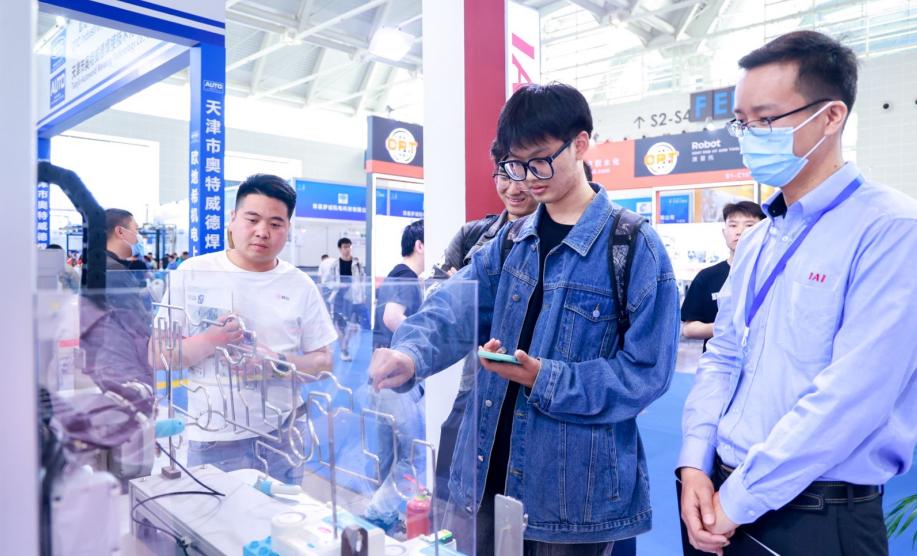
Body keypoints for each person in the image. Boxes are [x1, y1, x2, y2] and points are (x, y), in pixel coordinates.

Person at [369, 83, 680, 555]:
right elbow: (453, 307)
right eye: (514, 164)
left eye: (539, 161)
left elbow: (647, 372)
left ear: (580, 144)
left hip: (574, 498)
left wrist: (545, 379)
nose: (526, 179)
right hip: (488, 477)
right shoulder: (511, 240)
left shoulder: (633, 246)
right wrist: (410, 353)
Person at [677, 31, 917, 556]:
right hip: (717, 493)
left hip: (816, 515)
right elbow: (724, 353)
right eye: (742, 122)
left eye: (766, 120)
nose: (749, 136)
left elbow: (854, 395)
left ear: (830, 117)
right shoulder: (760, 238)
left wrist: (738, 500)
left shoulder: (891, 229)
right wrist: (694, 462)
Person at [151, 174, 336, 485]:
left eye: (275, 223)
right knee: (215, 516)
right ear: (233, 218)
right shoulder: (194, 272)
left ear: (288, 229)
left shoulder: (300, 284)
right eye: (252, 219)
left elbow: (324, 363)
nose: (262, 231)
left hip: (282, 435)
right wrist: (211, 340)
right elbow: (156, 355)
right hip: (213, 439)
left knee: (282, 513)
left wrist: (274, 364)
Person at [433, 144, 539, 511]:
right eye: (504, 174)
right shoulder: (474, 235)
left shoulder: (554, 240)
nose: (513, 187)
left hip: (533, 380)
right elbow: (438, 295)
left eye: (523, 174)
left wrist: (468, 289)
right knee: (456, 485)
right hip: (476, 377)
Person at [363, 219, 427, 532]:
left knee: (386, 455)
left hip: (380, 378)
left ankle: (380, 516)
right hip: (395, 381)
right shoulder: (406, 276)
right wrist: (424, 340)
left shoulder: (395, 274)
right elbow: (392, 317)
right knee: (414, 454)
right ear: (420, 245)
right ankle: (376, 512)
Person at [681, 201, 764, 351]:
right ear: (724, 232)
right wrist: (725, 328)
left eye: (749, 225)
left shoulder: (771, 273)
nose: (740, 231)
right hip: (718, 359)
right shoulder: (707, 277)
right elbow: (688, 328)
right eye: (733, 225)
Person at [328, 237, 367, 362]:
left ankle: (344, 346)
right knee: (338, 326)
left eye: (349, 246)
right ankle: (344, 350)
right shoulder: (334, 265)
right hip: (339, 298)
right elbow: (329, 282)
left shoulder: (358, 264)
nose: (347, 249)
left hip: (354, 298)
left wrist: (363, 296)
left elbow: (362, 281)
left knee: (354, 326)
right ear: (340, 249)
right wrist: (339, 285)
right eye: (345, 247)